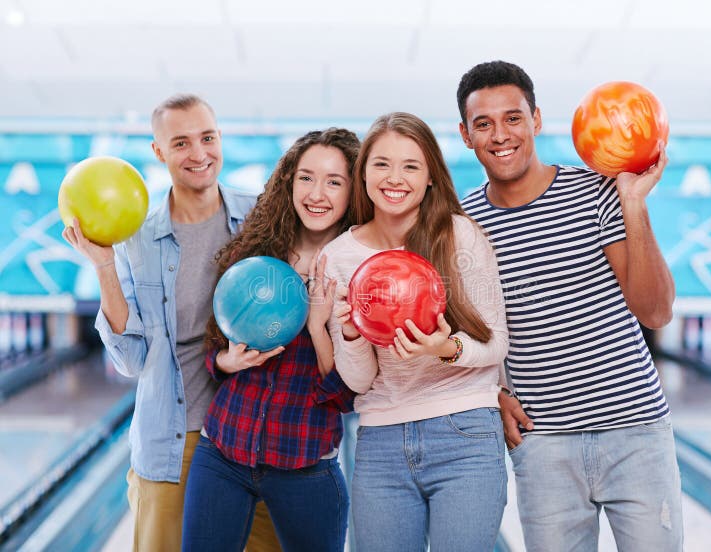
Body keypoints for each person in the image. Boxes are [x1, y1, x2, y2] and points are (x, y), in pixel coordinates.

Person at [457, 60, 683, 551]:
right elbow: (472, 332)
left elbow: (657, 313)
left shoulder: (597, 192)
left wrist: (634, 203)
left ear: (536, 120)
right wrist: (495, 394)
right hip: (543, 446)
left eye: (513, 117)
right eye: (483, 123)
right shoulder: (464, 223)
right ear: (465, 135)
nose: (501, 135)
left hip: (636, 431)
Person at [62, 94, 279, 552]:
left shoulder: (262, 214)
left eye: (207, 138)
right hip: (174, 437)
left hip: (255, 429)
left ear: (220, 139)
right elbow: (131, 359)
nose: (199, 154)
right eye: (181, 143)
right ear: (159, 152)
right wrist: (104, 265)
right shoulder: (136, 236)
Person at [323, 112, 509, 552]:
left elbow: (495, 344)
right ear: (363, 171)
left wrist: (443, 347)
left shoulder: (459, 236)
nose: (395, 178)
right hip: (381, 441)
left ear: (430, 178)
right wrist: (351, 335)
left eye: (411, 166)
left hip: (465, 433)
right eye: (381, 164)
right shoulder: (338, 257)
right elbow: (359, 382)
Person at [181, 128, 360, 552]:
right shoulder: (256, 253)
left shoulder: (356, 273)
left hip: (305, 464)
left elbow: (348, 396)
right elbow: (213, 350)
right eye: (306, 177)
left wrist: (318, 328)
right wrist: (227, 362)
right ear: (289, 182)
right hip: (222, 451)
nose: (317, 193)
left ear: (354, 192)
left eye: (334, 181)